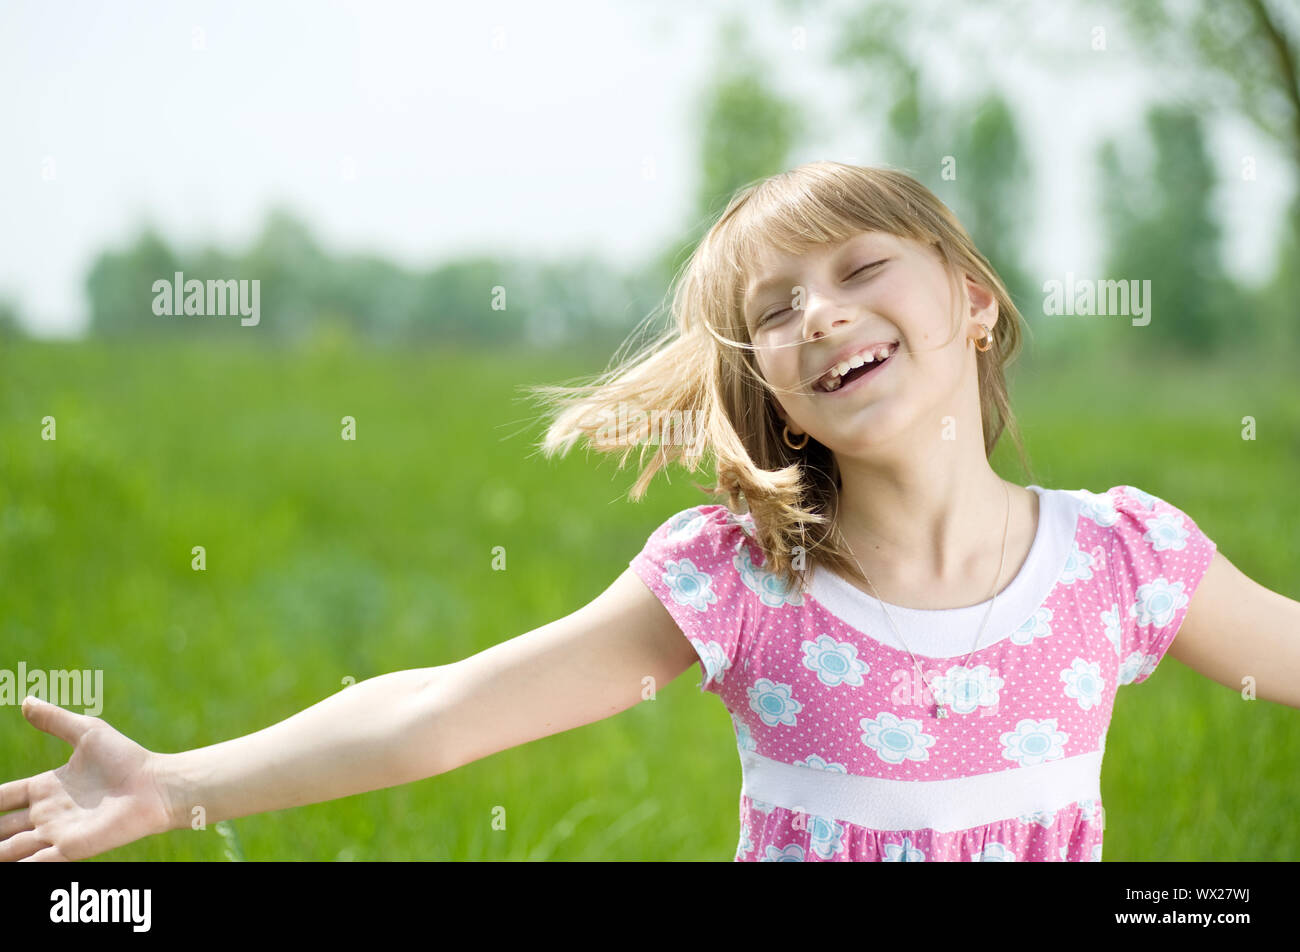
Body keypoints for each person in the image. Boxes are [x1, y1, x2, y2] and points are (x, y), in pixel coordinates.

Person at [2, 162, 1296, 862]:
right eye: (777, 308)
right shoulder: (741, 583)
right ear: (772, 384)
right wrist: (177, 786)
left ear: (972, 299)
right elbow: (438, 713)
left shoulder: (1119, 560)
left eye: (858, 270)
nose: (821, 313)